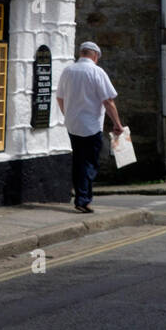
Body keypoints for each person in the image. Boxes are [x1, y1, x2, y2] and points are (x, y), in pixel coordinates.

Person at [56, 41, 123, 212]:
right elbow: (108, 101)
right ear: (94, 56)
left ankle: (81, 196)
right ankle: (83, 200)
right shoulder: (96, 71)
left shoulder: (68, 70)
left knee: (79, 161)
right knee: (89, 163)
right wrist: (117, 123)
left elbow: (60, 98)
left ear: (81, 53)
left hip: (72, 124)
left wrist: (68, 115)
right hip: (91, 126)